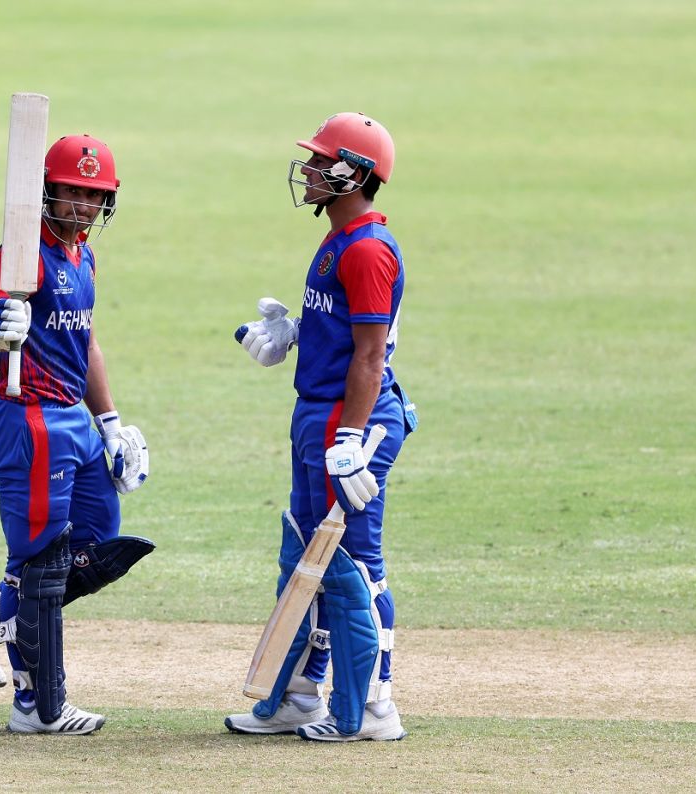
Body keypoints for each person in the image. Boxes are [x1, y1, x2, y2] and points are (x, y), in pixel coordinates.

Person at [0, 133, 154, 736]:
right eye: (72, 192)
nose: (82, 205)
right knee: (41, 561)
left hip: (75, 421)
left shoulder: (83, 256)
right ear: (47, 191)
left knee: (96, 541)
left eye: (94, 195)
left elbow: (85, 341)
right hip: (28, 415)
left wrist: (110, 422)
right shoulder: (23, 253)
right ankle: (37, 705)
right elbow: (2, 313)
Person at [225, 112, 418, 742]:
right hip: (320, 413)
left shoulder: (365, 248)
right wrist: (294, 334)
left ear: (352, 173)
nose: (306, 171)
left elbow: (370, 354)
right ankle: (302, 694)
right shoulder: (339, 239)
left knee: (356, 561)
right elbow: (342, 334)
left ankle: (373, 705)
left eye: (318, 161)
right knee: (308, 556)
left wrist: (351, 440)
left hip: (348, 419)